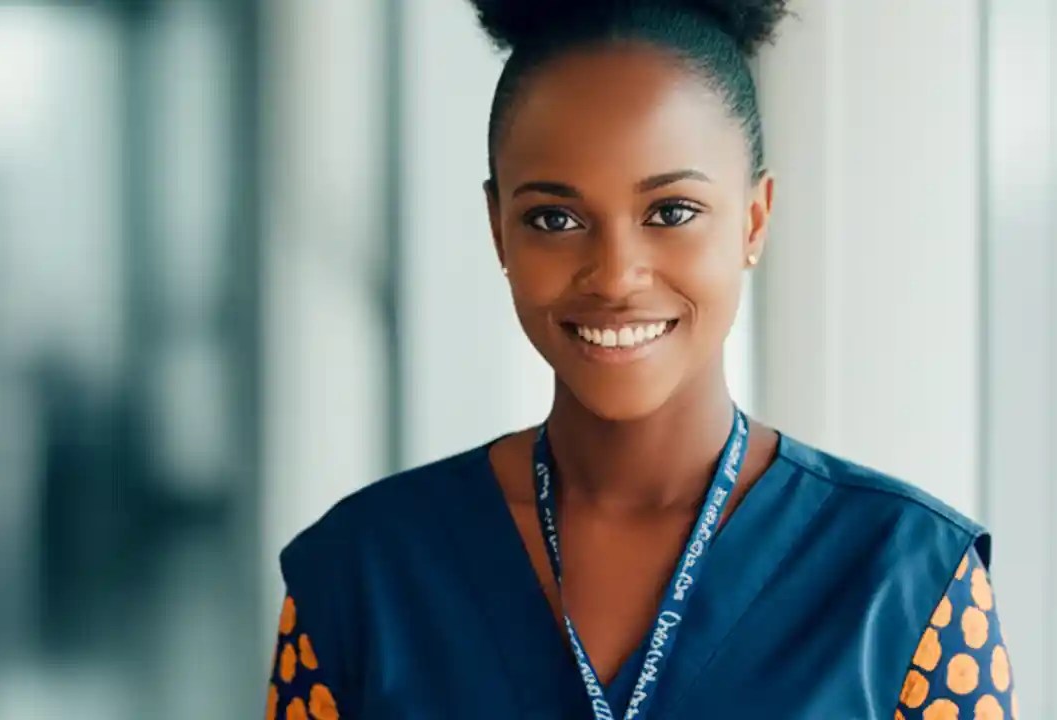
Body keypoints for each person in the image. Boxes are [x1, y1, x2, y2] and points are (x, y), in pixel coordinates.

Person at [264, 1, 1016, 718]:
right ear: (499, 231)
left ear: (754, 219)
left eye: (671, 213)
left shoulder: (908, 585)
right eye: (554, 219)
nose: (617, 276)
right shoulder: (362, 576)